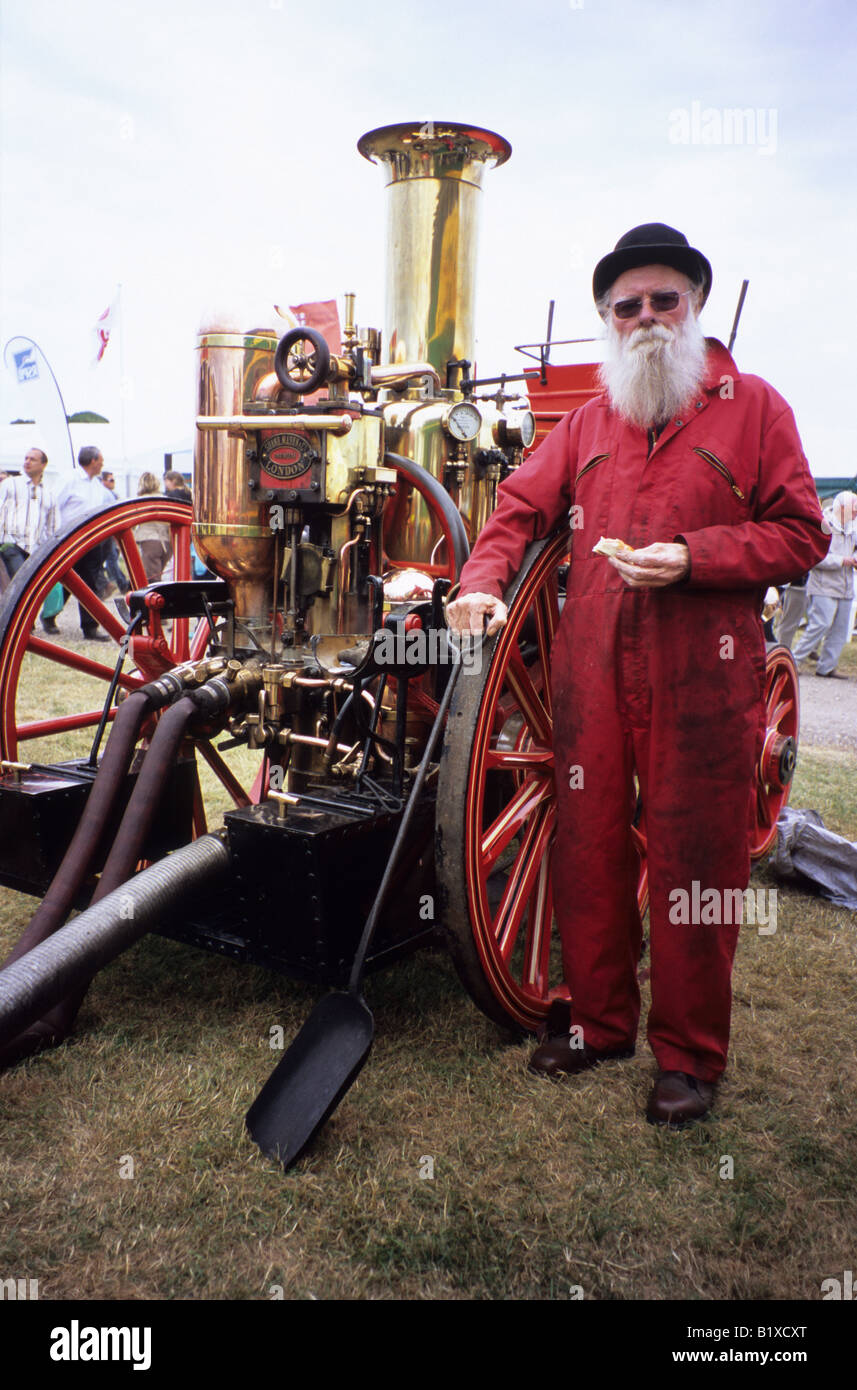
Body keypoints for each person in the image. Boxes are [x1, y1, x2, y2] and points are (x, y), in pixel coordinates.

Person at [446, 223, 829, 1127]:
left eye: (666, 300)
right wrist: (477, 582)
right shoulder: (585, 421)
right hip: (590, 665)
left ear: (694, 307)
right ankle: (597, 1023)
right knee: (586, 845)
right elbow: (516, 508)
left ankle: (690, 1056)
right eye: (628, 305)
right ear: (606, 321)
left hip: (704, 669)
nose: (647, 317)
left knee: (696, 854)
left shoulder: (756, 407)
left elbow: (801, 534)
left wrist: (693, 557)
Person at [791, 491, 857, 678]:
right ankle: (795, 661)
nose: (856, 513)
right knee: (820, 624)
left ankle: (827, 667)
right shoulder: (824, 526)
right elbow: (814, 557)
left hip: (845, 587)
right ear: (842, 508)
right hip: (823, 586)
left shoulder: (854, 528)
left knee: (840, 628)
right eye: (854, 510)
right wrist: (841, 561)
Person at [51, 445, 113, 640]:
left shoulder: (96, 485)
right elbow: (54, 506)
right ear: (93, 461)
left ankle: (90, 627)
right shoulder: (69, 479)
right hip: (71, 539)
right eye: (101, 460)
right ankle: (49, 614)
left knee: (89, 583)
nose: (103, 463)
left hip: (92, 541)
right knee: (70, 580)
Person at [0, 447, 59, 578]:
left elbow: (52, 527)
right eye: (26, 458)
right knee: (21, 581)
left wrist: (49, 549)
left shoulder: (49, 494)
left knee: (27, 586)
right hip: (11, 544)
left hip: (35, 550)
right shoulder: (10, 484)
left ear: (43, 465)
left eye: (32, 459)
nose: (27, 462)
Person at [133, 472, 172, 582]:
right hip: (166, 541)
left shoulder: (140, 500)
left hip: (149, 540)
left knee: (152, 577)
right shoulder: (165, 499)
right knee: (159, 574)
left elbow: (133, 521)